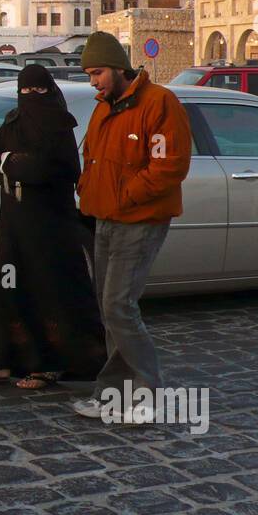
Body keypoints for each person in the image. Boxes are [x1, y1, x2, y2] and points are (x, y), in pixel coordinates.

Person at [71, 32, 191, 423]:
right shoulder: (104, 107)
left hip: (140, 219)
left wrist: (125, 197)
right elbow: (93, 160)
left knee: (119, 306)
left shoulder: (160, 103)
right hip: (105, 218)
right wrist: (89, 196)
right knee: (110, 310)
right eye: (90, 74)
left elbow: (168, 165)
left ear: (120, 68)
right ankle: (113, 396)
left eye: (99, 72)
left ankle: (149, 395)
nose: (94, 81)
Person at [0, 64, 106, 390]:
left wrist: (11, 162)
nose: (31, 97)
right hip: (13, 224)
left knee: (48, 294)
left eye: (38, 90)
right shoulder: (13, 121)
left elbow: (50, 169)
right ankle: (3, 361)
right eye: (26, 91)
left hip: (49, 228)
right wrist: (12, 162)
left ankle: (49, 364)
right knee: (4, 291)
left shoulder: (59, 125)